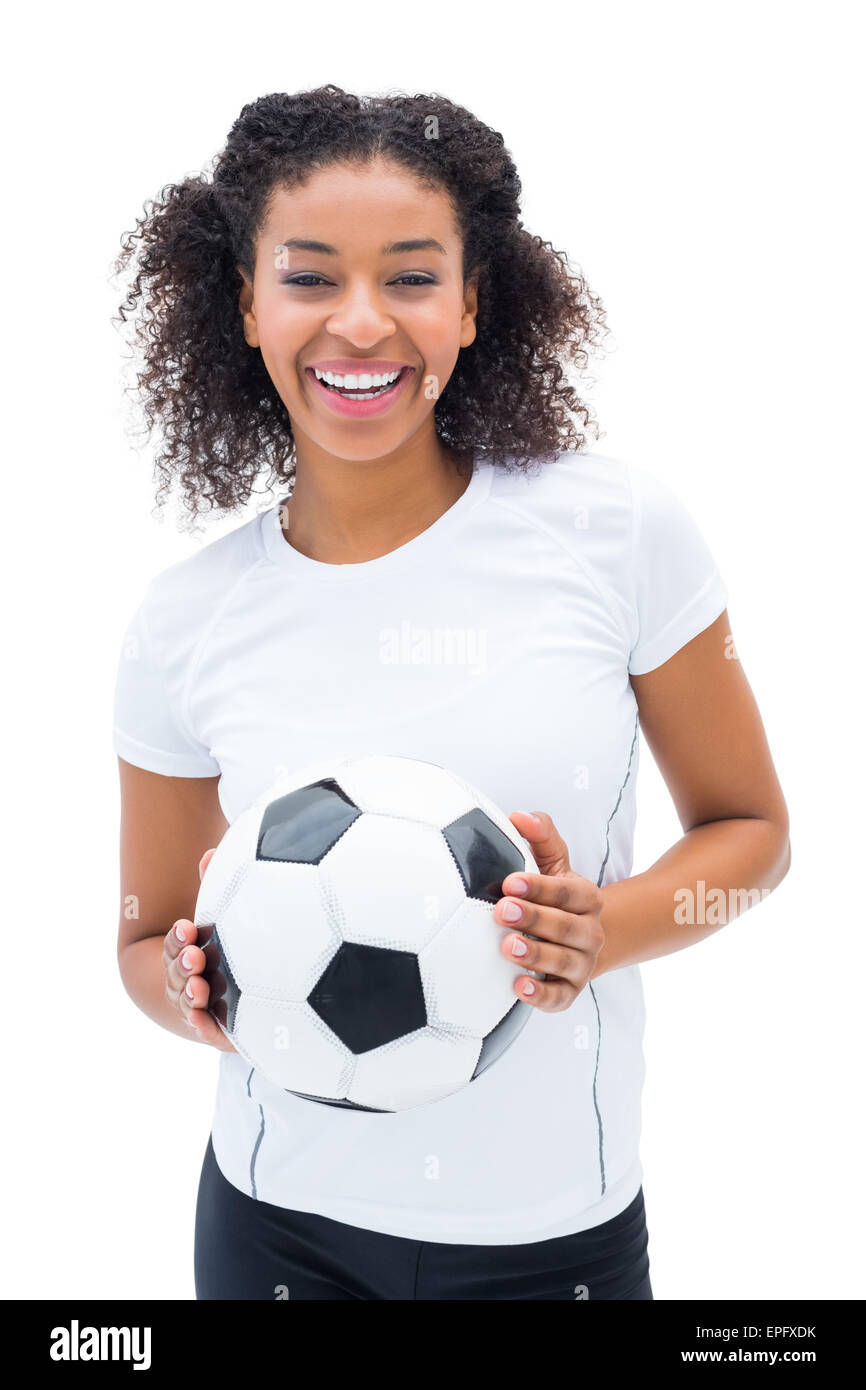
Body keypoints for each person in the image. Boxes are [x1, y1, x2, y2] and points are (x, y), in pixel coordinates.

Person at [111, 86, 791, 1301]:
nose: (360, 324)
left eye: (412, 278)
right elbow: (142, 936)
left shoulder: (612, 530)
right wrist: (186, 990)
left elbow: (754, 839)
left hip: (552, 1238)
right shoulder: (185, 618)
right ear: (245, 304)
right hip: (275, 1231)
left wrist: (601, 933)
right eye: (309, 278)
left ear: (474, 304)